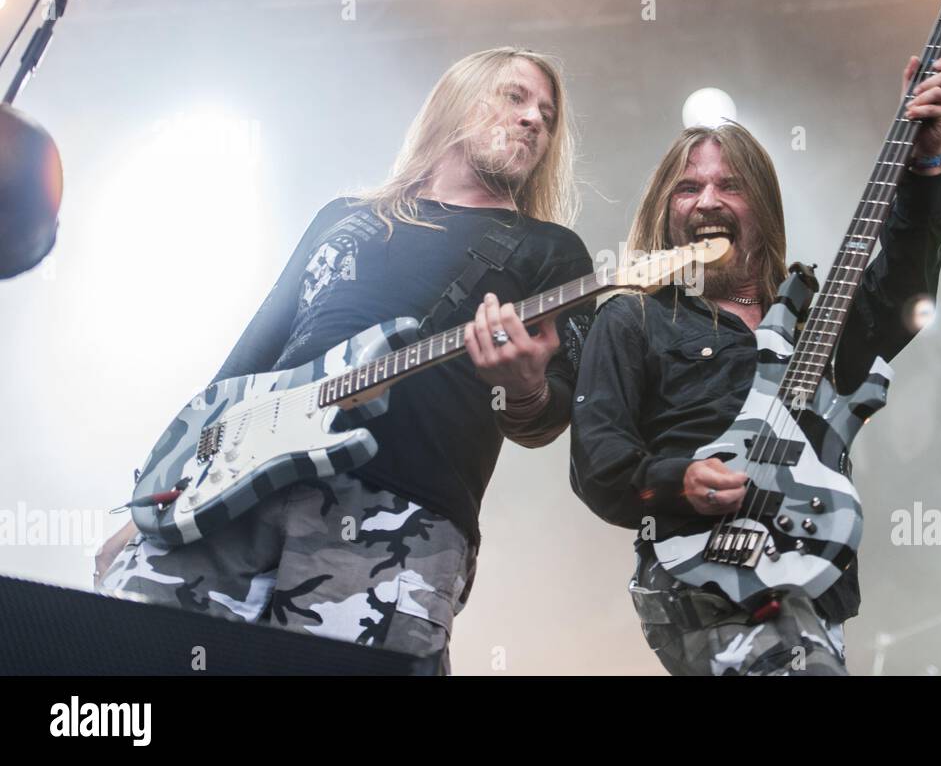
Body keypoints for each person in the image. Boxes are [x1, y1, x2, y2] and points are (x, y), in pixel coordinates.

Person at [98, 47, 593, 674]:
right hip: (225, 499)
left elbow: (549, 416)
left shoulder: (551, 252)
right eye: (515, 97)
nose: (533, 121)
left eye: (546, 116)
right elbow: (245, 365)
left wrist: (521, 388)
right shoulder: (345, 217)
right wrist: (155, 500)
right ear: (457, 101)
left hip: (400, 519)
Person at [569, 56, 941, 675]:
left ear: (763, 203)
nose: (707, 202)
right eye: (689, 187)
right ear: (665, 209)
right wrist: (679, 481)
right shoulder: (633, 319)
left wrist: (923, 167)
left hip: (812, 585)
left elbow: (905, 295)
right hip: (702, 577)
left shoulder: (816, 319)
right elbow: (598, 463)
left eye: (730, 186)